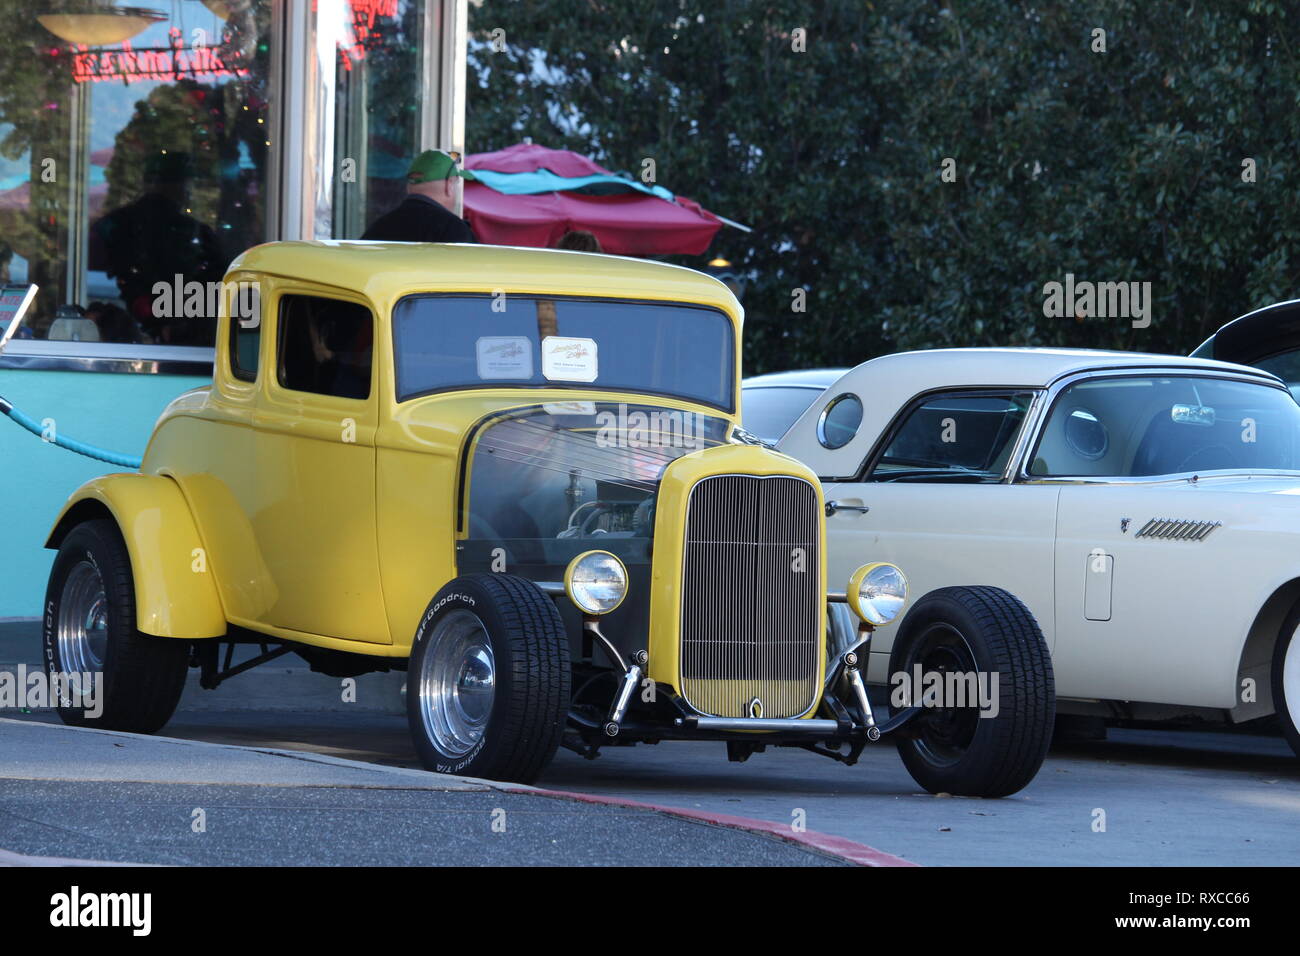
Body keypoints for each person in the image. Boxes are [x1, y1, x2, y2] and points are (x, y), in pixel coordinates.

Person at [88, 151, 227, 345]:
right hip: (149, 328)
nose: (186, 191)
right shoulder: (189, 231)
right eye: (182, 183)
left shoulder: (112, 225)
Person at [362, 149, 478, 243]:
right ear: (449, 185)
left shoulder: (379, 228)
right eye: (457, 183)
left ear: (409, 187)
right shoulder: (455, 231)